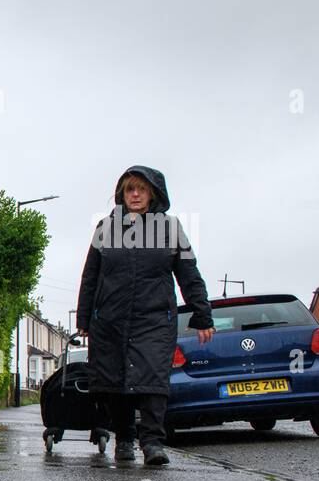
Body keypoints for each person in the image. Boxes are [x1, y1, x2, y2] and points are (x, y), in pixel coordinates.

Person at [74, 166, 214, 465]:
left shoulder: (170, 229)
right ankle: (124, 439)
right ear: (122, 195)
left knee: (152, 380)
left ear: (153, 194)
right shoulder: (105, 228)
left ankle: (152, 443)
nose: (135, 194)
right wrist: (84, 319)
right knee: (115, 382)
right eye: (129, 189)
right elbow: (90, 275)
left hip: (154, 319)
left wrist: (203, 315)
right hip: (110, 319)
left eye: (141, 189)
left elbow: (189, 274)